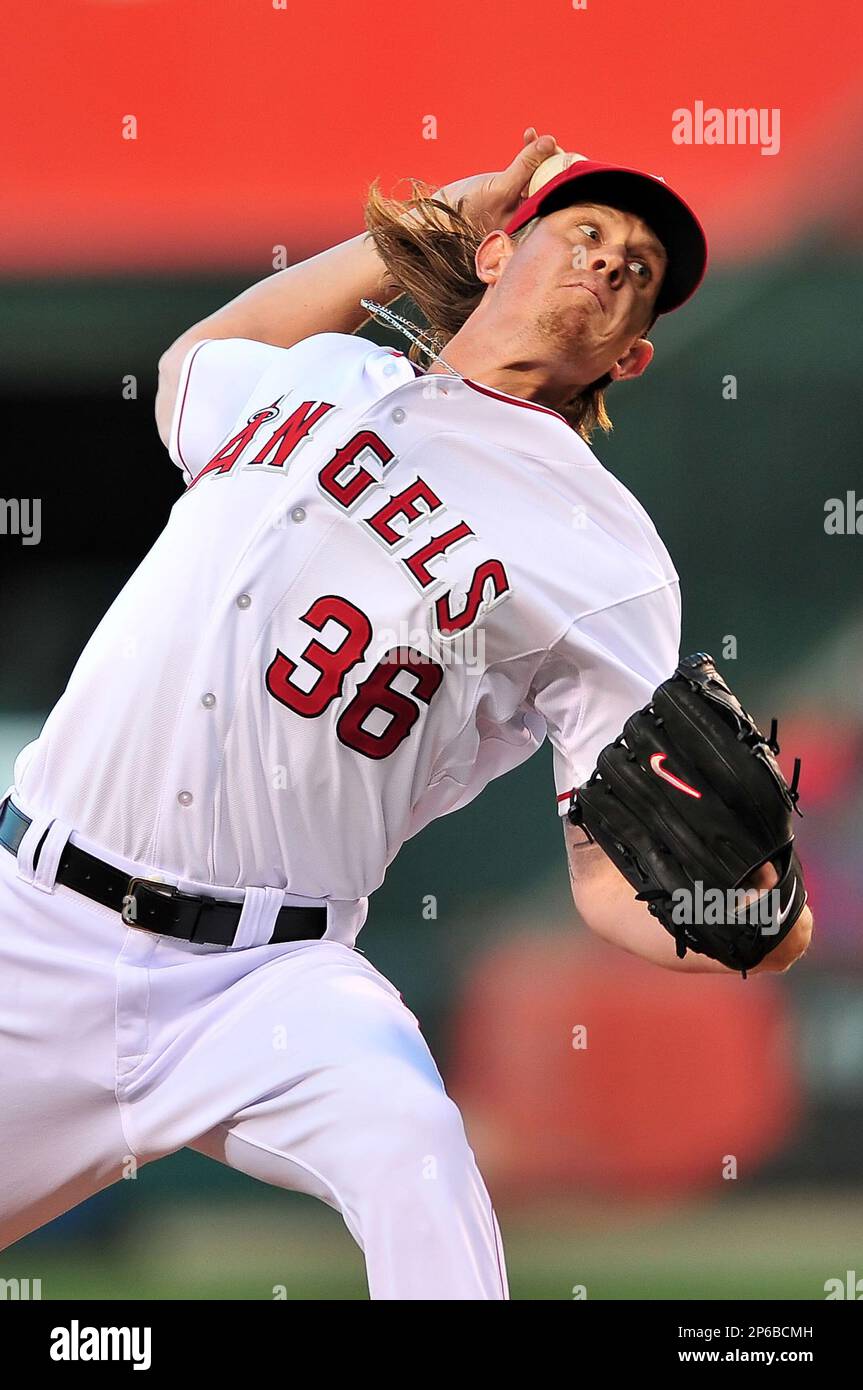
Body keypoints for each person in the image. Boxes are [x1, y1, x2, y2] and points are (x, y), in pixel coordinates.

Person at [0, 129, 811, 1298]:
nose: (606, 264)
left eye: (637, 271)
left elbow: (603, 877)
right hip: (35, 922)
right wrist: (407, 229)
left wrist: (752, 926)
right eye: (583, 232)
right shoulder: (320, 377)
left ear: (630, 357)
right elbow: (197, 357)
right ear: (497, 253)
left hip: (265, 984)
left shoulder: (607, 557)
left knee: (416, 1150)